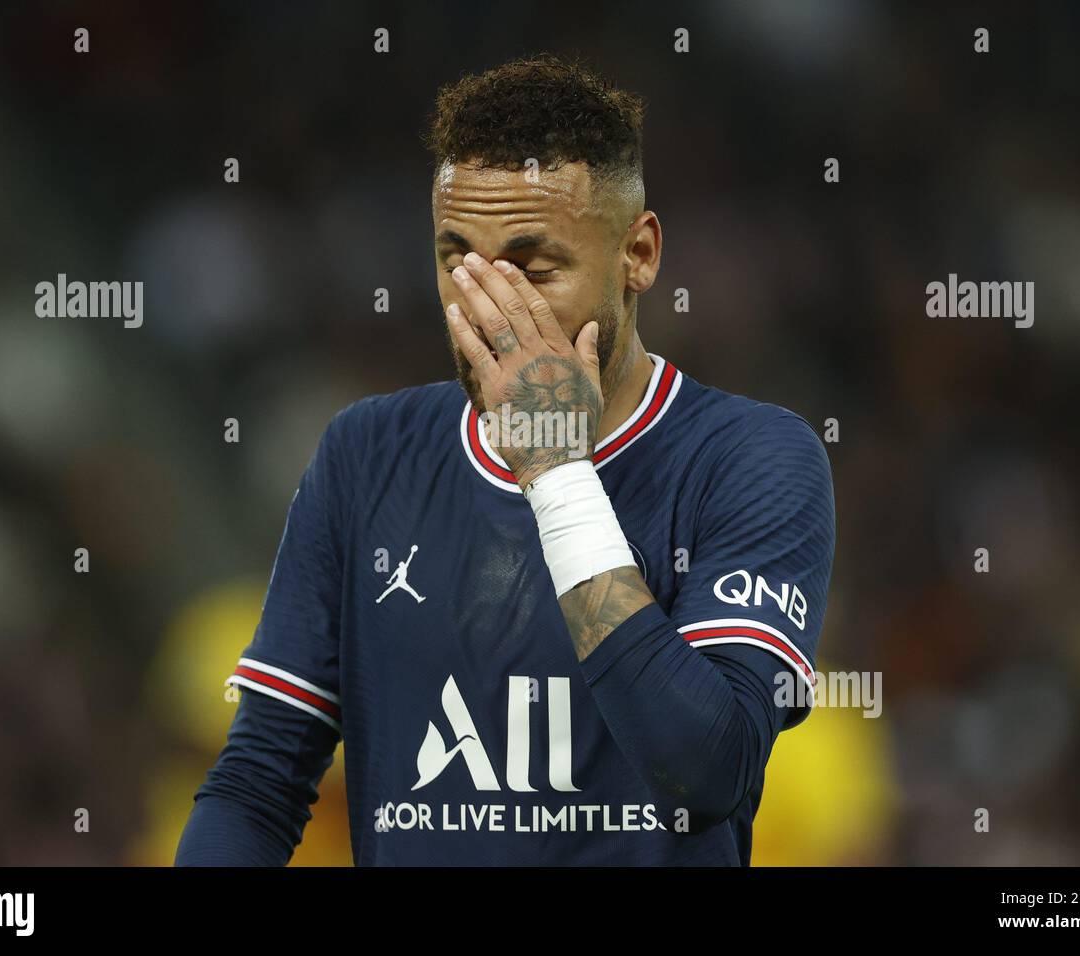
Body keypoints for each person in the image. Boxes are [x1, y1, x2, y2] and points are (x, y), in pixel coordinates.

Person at [176, 53, 835, 866]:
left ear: (640, 255)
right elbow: (257, 784)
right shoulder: (364, 452)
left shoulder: (749, 457)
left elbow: (703, 770)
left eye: (532, 268)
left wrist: (558, 474)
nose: (487, 307)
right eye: (457, 259)